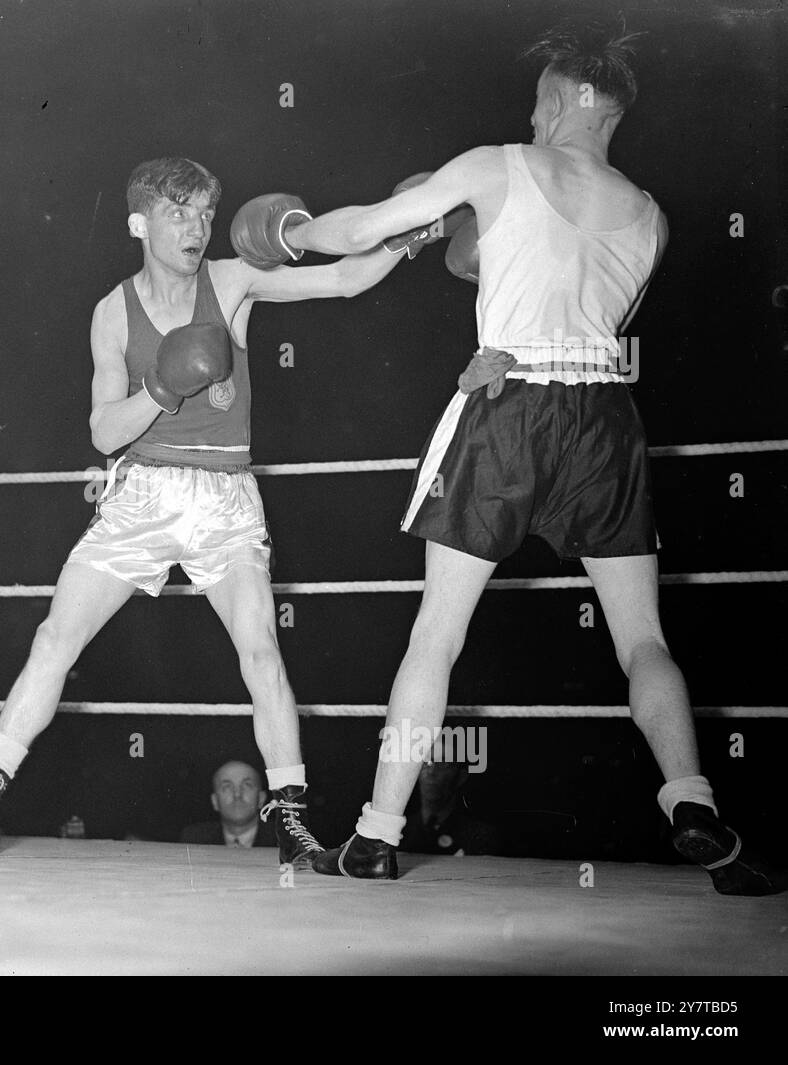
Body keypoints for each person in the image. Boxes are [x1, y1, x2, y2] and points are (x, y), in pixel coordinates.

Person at [258, 22, 780, 894]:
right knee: (643, 636)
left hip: (510, 403)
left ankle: (378, 832)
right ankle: (692, 803)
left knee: (439, 627)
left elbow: (360, 238)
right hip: (605, 414)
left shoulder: (498, 162)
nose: (531, 115)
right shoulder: (651, 215)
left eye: (542, 100)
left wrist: (292, 227)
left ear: (579, 97)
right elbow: (574, 293)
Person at [0, 156, 412, 868]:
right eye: (180, 213)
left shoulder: (233, 280)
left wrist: (407, 236)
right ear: (140, 222)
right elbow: (104, 432)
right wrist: (163, 385)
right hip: (140, 494)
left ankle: (292, 821)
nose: (198, 227)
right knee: (56, 637)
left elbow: (341, 277)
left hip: (225, 497)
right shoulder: (112, 311)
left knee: (262, 652)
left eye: (206, 213)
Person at [180, 760, 278, 848]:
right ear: (215, 801)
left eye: (247, 785)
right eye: (227, 787)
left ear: (261, 798)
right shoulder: (195, 840)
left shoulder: (282, 839)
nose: (237, 794)